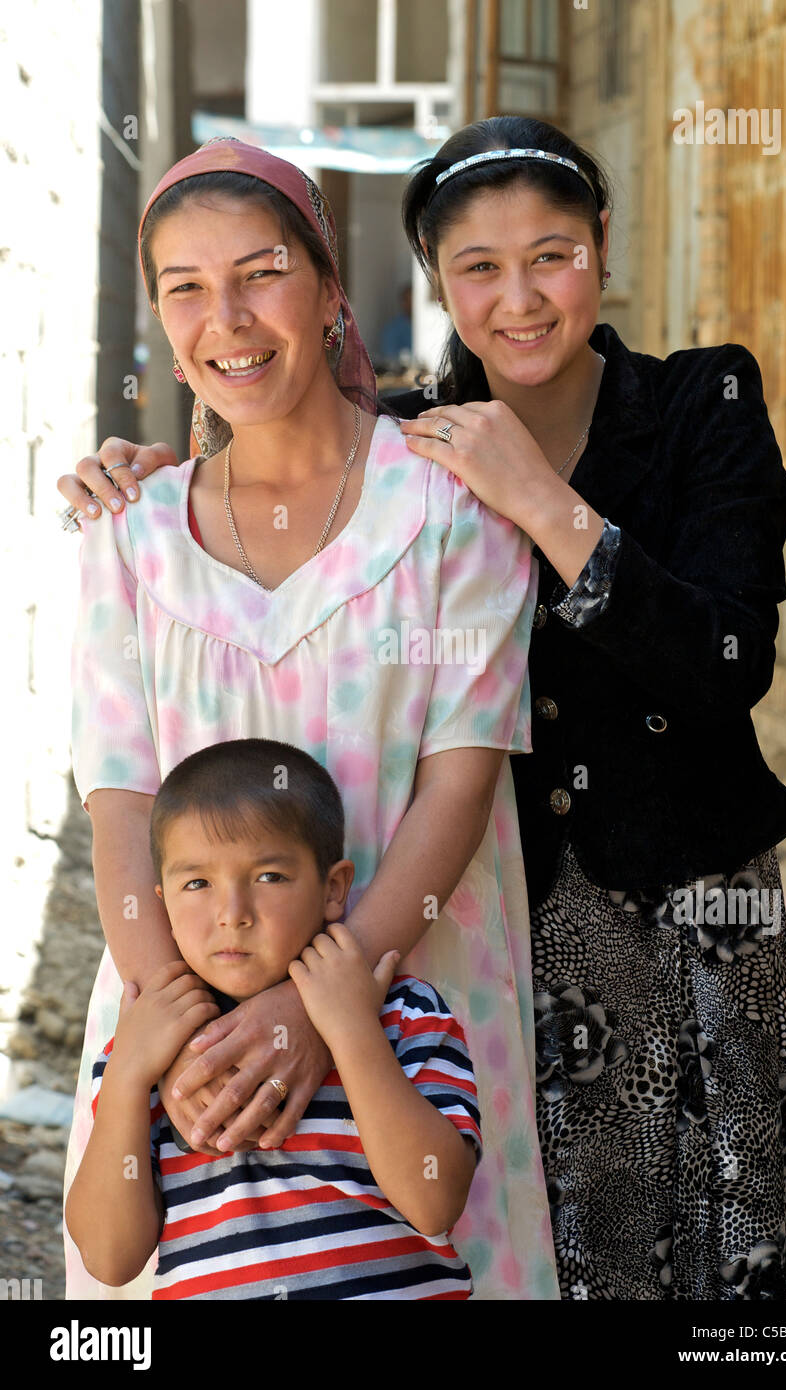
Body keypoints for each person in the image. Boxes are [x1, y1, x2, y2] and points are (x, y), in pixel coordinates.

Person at [58, 116, 786, 1302]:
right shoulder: (411, 437)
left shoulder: (653, 416)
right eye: (476, 268)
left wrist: (539, 500)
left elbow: (720, 661)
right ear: (428, 284)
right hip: (387, 946)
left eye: (550, 255)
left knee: (698, 1248)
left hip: (639, 903)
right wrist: (144, 470)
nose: (517, 298)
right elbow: (123, 785)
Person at [60, 136, 558, 1301]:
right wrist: (172, 1028)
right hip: (184, 1037)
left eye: (261, 272)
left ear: (330, 289)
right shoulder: (129, 536)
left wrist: (317, 1013)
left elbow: (458, 785)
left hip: (411, 999)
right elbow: (122, 806)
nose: (225, 318)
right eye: (184, 286)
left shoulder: (449, 505)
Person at [66, 739, 482, 1301]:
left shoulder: (402, 1012)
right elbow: (110, 1259)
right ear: (161, 902)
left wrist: (353, 1031)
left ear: (334, 888)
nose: (232, 914)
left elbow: (436, 1202)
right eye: (197, 883)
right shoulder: (148, 1043)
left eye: (268, 877)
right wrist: (128, 1078)